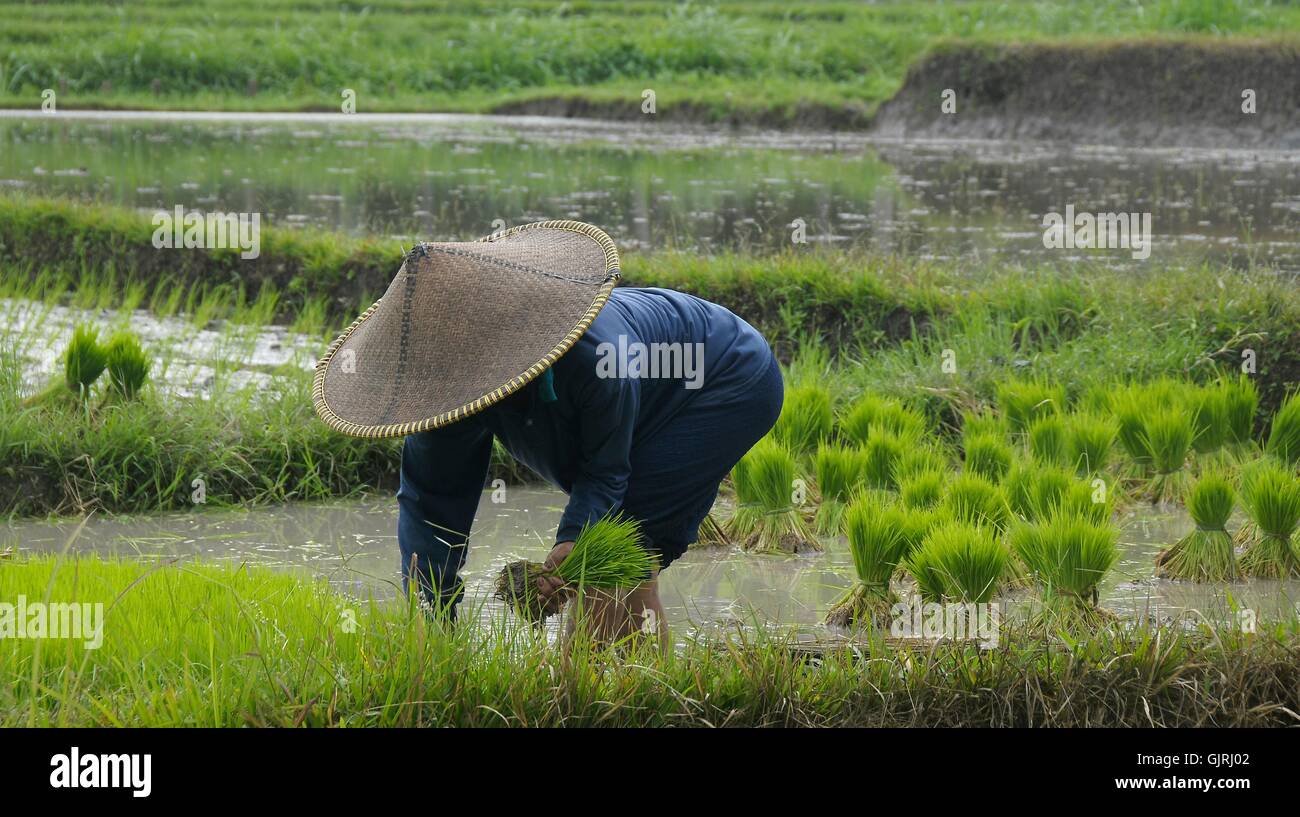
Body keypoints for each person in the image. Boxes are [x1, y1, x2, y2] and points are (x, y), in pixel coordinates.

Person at [313, 221, 781, 647]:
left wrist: (571, 544)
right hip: (650, 397)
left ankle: (600, 699)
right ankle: (617, 691)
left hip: (721, 377)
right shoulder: (447, 389)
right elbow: (431, 503)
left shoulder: (598, 359)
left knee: (618, 550)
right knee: (614, 555)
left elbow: (605, 472)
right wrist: (432, 621)